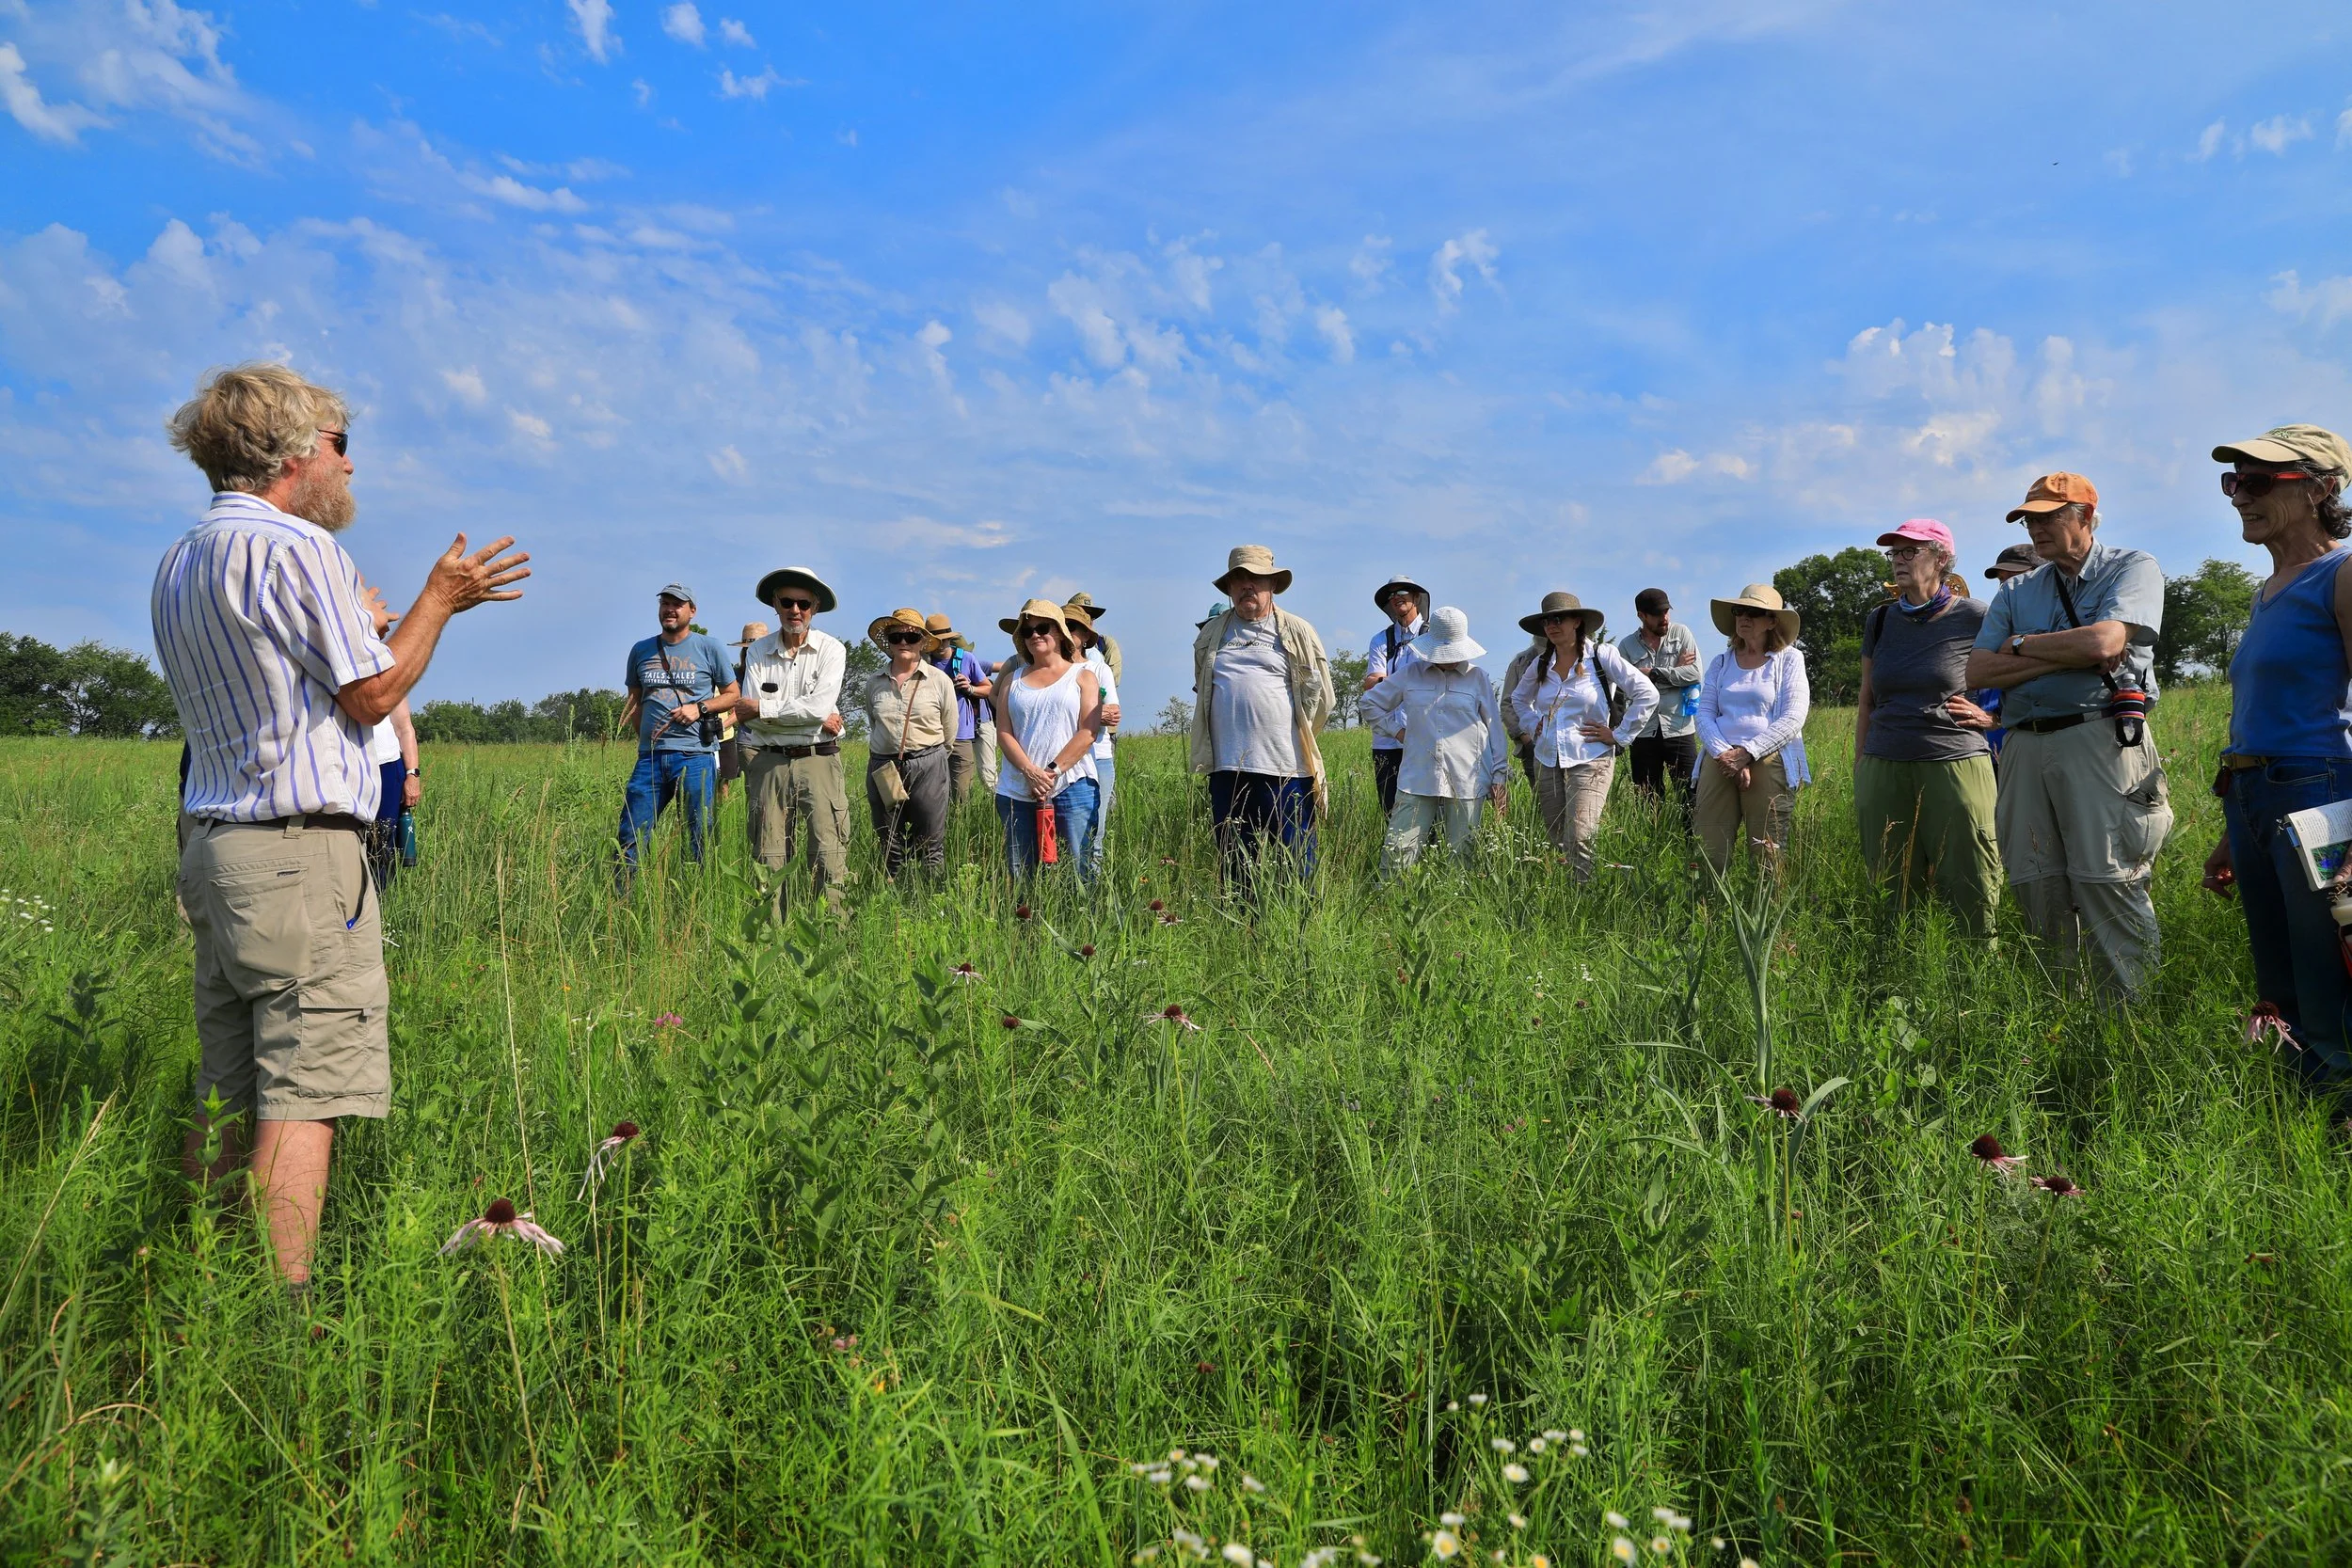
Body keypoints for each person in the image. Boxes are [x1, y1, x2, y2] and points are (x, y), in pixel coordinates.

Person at [152, 361, 529, 1291]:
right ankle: (284, 1316)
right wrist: (441, 600)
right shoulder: (297, 550)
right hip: (296, 854)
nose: (350, 466)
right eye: (340, 445)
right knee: (304, 1093)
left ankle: (209, 1284)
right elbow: (370, 693)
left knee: (226, 1087)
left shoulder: (182, 559)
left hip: (218, 844)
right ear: (292, 453)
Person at [1965, 473, 2170, 999]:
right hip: (2023, 744)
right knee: (2037, 884)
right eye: (2029, 519)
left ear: (2085, 515)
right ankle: (2059, 1018)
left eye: (2048, 516)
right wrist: (2063, 653)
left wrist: (2021, 645)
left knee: (2108, 882)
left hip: (2099, 739)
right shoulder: (2016, 588)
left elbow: (2104, 642)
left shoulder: (2132, 567)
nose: (2036, 528)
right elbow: (1979, 673)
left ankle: (2129, 1024)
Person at [2200, 425, 2352, 1092]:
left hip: (2316, 792)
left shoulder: (2342, 574)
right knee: (2278, 980)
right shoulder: (2267, 591)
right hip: (2255, 797)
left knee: (2325, 975)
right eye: (2234, 482)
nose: (2240, 497)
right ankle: (2302, 1121)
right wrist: (2233, 830)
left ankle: (2339, 1115)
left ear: (2322, 487)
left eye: (2259, 481)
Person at [1852, 520, 2001, 935]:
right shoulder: (1879, 621)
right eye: (1894, 553)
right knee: (1891, 882)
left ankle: (1976, 970)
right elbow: (1867, 698)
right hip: (1884, 763)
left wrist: (1995, 719)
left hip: (1955, 761)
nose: (1898, 561)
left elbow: (2018, 672)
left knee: (1971, 876)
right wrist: (1861, 765)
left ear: (1940, 560)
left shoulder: (1975, 616)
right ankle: (1899, 971)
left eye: (1909, 552)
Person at [1190, 546, 1336, 891]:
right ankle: (1243, 932)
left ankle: (1299, 928)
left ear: (1272, 584)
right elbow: (1203, 688)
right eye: (1239, 580)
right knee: (1236, 860)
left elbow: (1323, 699)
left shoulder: (1297, 631)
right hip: (1227, 770)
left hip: (1286, 769)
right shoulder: (1210, 636)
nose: (1247, 587)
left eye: (1255, 579)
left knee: (1296, 858)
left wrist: (1298, 736)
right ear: (1229, 589)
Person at [1510, 591, 1658, 880]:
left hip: (1591, 757)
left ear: (1577, 621)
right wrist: (1533, 725)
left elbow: (1647, 693)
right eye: (1547, 621)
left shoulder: (1602, 656)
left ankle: (1584, 894)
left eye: (1559, 618)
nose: (1552, 625)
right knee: (1555, 833)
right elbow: (1518, 699)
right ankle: (1563, 893)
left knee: (1580, 833)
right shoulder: (1541, 663)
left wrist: (1619, 735)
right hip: (1547, 758)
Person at [730, 567, 850, 913]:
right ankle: (770, 940)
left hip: (819, 759)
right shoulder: (758, 651)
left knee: (828, 851)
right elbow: (751, 710)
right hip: (768, 759)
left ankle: (830, 931)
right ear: (775, 604)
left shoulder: (831, 650)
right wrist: (805, 715)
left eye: (802, 604)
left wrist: (766, 711)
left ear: (814, 606)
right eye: (787, 602)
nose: (795, 610)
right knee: (767, 855)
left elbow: (816, 709)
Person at [1360, 606, 1509, 874]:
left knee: (1462, 855)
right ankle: (1389, 903)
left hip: (1467, 779)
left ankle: (1457, 909)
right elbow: (1370, 704)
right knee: (1398, 852)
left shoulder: (1478, 679)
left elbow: (1494, 729)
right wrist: (1397, 732)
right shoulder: (1410, 674)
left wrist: (1499, 777)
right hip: (1417, 777)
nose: (1447, 660)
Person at [616, 585, 738, 881]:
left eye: (677, 605)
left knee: (699, 834)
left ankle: (694, 901)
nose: (670, 609)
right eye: (665, 604)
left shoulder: (710, 648)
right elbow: (634, 701)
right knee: (630, 834)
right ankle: (621, 904)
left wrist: (700, 709)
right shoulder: (641, 650)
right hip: (651, 758)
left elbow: (732, 694)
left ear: (692, 611)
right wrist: (645, 740)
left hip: (695, 755)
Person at [1694, 584, 1812, 876]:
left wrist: (1747, 753)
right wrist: (1727, 755)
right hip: (1720, 760)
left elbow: (1794, 716)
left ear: (1772, 621)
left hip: (1770, 759)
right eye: (1739, 611)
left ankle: (1767, 914)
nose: (1744, 618)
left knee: (1766, 849)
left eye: (1754, 613)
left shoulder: (1789, 660)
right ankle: (1708, 914)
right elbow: (1704, 714)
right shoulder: (1721, 662)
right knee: (1710, 845)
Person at [991, 598, 1104, 879]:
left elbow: (1088, 732)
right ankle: (1026, 922)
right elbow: (1004, 732)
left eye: (1042, 627)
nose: (1035, 636)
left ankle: (1080, 920)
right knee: (1021, 874)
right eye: (1027, 632)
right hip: (1017, 790)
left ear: (1059, 632)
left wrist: (1050, 772)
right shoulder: (1011, 681)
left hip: (1071, 786)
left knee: (1079, 870)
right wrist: (1030, 772)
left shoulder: (1084, 676)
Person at [861, 608, 959, 878]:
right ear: (889, 643)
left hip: (928, 763)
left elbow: (949, 729)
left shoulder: (939, 681)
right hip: (884, 766)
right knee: (889, 840)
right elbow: (873, 721)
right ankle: (891, 898)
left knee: (930, 840)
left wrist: (931, 758)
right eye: (896, 637)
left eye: (911, 637)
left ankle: (930, 898)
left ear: (922, 643)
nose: (903, 642)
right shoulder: (874, 683)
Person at [1617, 588, 1702, 828]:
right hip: (1643, 731)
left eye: (1666, 611)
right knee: (1647, 798)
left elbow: (1695, 674)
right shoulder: (1625, 647)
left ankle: (1691, 847)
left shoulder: (1681, 633)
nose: (1664, 618)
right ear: (1642, 616)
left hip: (1680, 727)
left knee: (1690, 794)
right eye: (1657, 614)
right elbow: (1624, 687)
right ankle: (1654, 845)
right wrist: (1675, 671)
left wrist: (1653, 674)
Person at [1362, 573, 1430, 816]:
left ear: (1416, 597)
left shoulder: (1431, 635)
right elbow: (1370, 683)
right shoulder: (1381, 639)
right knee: (1389, 809)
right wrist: (1407, 682)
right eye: (1391, 595)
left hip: (1425, 736)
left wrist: (1387, 681)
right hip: (1387, 739)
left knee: (1429, 810)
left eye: (1402, 592)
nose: (1396, 598)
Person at [1064, 603, 1123, 869]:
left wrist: (1067, 713)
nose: (1065, 632)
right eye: (1060, 626)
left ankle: (1091, 901)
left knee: (1094, 834)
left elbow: (1112, 715)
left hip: (1097, 758)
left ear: (1086, 636)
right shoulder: (1048, 672)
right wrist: (1091, 713)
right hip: (1060, 760)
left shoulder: (1100, 670)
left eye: (1072, 627)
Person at [1976, 545, 2042, 759]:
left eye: (2014, 578)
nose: (2005, 587)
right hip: (1994, 750)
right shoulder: (1993, 628)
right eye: (2002, 580)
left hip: (2037, 746)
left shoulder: (2057, 625)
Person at [926, 611, 993, 801]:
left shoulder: (967, 659)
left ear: (950, 639)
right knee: (934, 794)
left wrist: (970, 688)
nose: (941, 645)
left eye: (944, 640)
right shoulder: (923, 662)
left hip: (961, 735)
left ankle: (958, 827)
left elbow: (988, 689)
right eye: (935, 641)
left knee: (961, 793)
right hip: (931, 736)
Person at [362, 699, 420, 891]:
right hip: (347, 766)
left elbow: (405, 729)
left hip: (386, 766)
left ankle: (383, 902)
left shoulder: (389, 672)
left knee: (383, 844)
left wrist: (412, 774)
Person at [717, 620, 766, 804]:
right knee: (754, 791)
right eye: (747, 649)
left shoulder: (777, 671)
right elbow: (737, 708)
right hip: (749, 740)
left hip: (779, 738)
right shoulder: (735, 676)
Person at [1497, 631, 1547, 790]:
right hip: (1532, 741)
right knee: (1540, 795)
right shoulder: (1521, 662)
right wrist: (1524, 735)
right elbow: (1507, 703)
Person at [1065, 591, 1122, 684]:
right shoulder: (1053, 646)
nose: (1087, 618)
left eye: (1091, 616)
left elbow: (1110, 683)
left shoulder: (1105, 644)